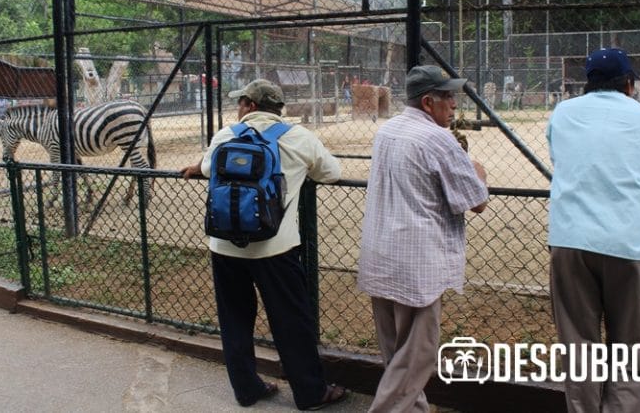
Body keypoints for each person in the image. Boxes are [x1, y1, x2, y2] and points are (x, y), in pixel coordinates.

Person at [180, 79, 349, 410]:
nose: (237, 108)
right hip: (275, 249)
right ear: (279, 109)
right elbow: (332, 172)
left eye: (240, 102)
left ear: (250, 106)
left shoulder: (225, 136)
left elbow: (204, 167)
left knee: (235, 319)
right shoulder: (298, 138)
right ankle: (310, 392)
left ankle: (247, 388)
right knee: (291, 320)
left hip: (224, 246)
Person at [547, 48, 640, 413]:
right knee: (629, 343)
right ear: (629, 84)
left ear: (588, 82)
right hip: (627, 241)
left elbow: (561, 157)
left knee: (579, 342)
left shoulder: (564, 112)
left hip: (571, 239)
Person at [358, 65, 489, 412]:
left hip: (382, 254)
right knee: (417, 357)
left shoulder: (388, 131)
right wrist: (479, 171)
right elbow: (476, 201)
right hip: (416, 262)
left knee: (397, 356)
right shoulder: (437, 138)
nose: (454, 104)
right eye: (448, 96)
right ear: (429, 102)